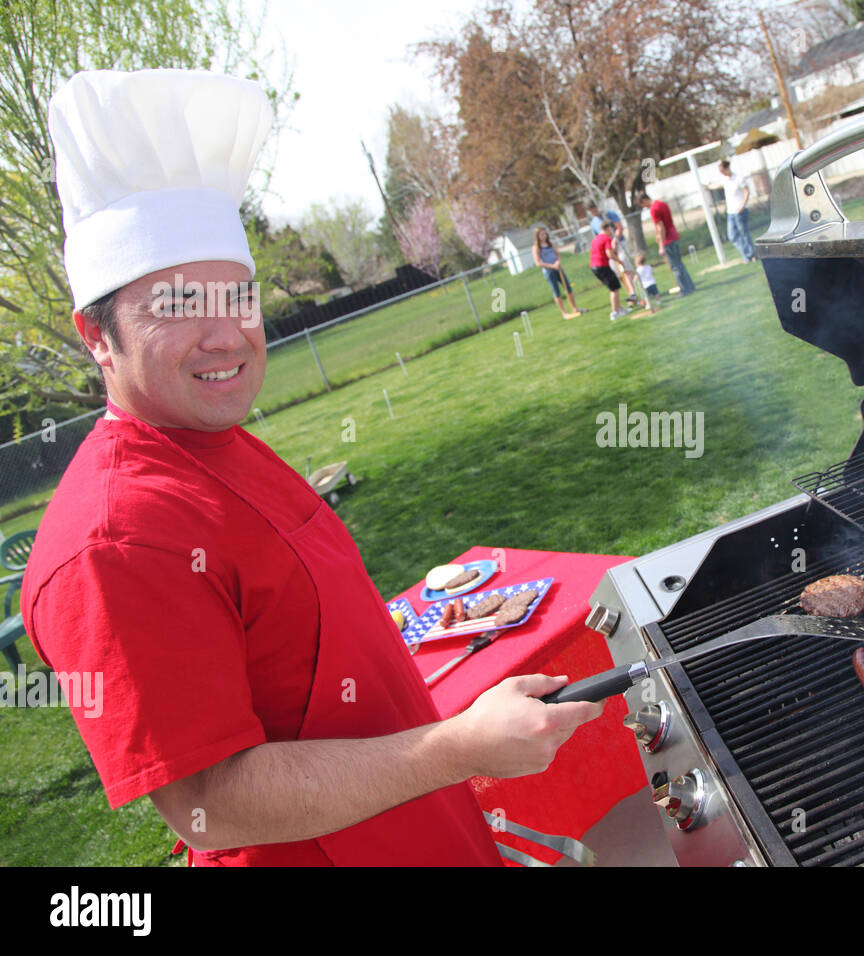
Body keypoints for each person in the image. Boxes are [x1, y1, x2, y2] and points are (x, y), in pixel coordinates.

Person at [21, 68, 603, 867]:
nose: (225, 335)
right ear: (96, 334)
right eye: (177, 304)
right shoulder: (113, 541)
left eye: (240, 298)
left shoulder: (211, 437)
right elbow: (206, 809)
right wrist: (457, 747)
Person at [638, 191, 694, 296]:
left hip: (669, 240)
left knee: (675, 267)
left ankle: (684, 289)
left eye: (642, 205)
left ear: (644, 200)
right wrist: (658, 236)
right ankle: (690, 286)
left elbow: (661, 227)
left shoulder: (654, 209)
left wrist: (661, 245)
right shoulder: (662, 203)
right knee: (680, 264)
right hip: (675, 236)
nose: (644, 207)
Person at [588, 202, 639, 307]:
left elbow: (619, 227)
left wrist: (614, 242)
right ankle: (631, 298)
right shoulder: (593, 223)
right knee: (618, 273)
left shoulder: (609, 214)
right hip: (609, 250)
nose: (594, 212)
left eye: (595, 209)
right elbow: (597, 237)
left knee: (626, 269)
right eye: (591, 211)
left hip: (619, 244)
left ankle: (633, 293)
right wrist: (609, 248)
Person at [709, 159, 756, 263]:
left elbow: (747, 191)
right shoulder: (725, 179)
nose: (722, 173)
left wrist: (742, 206)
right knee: (732, 236)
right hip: (731, 212)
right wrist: (706, 186)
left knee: (744, 233)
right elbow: (716, 185)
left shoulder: (738, 178)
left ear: (727, 168)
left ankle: (751, 255)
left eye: (722, 171)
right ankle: (746, 254)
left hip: (740, 211)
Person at [532, 227, 583, 318]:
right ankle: (564, 313)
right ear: (537, 236)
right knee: (556, 291)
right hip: (549, 271)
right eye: (541, 234)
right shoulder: (536, 248)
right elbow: (538, 263)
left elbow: (557, 254)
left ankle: (575, 308)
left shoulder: (550, 243)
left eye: (545, 233)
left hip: (558, 268)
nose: (544, 236)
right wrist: (552, 266)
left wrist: (558, 262)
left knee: (568, 287)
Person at [589, 220, 629, 320]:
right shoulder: (606, 238)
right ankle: (614, 312)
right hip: (602, 266)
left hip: (595, 266)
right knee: (614, 289)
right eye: (611, 230)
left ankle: (619, 309)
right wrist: (620, 261)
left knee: (615, 285)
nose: (612, 233)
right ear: (607, 228)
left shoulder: (596, 238)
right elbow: (609, 254)